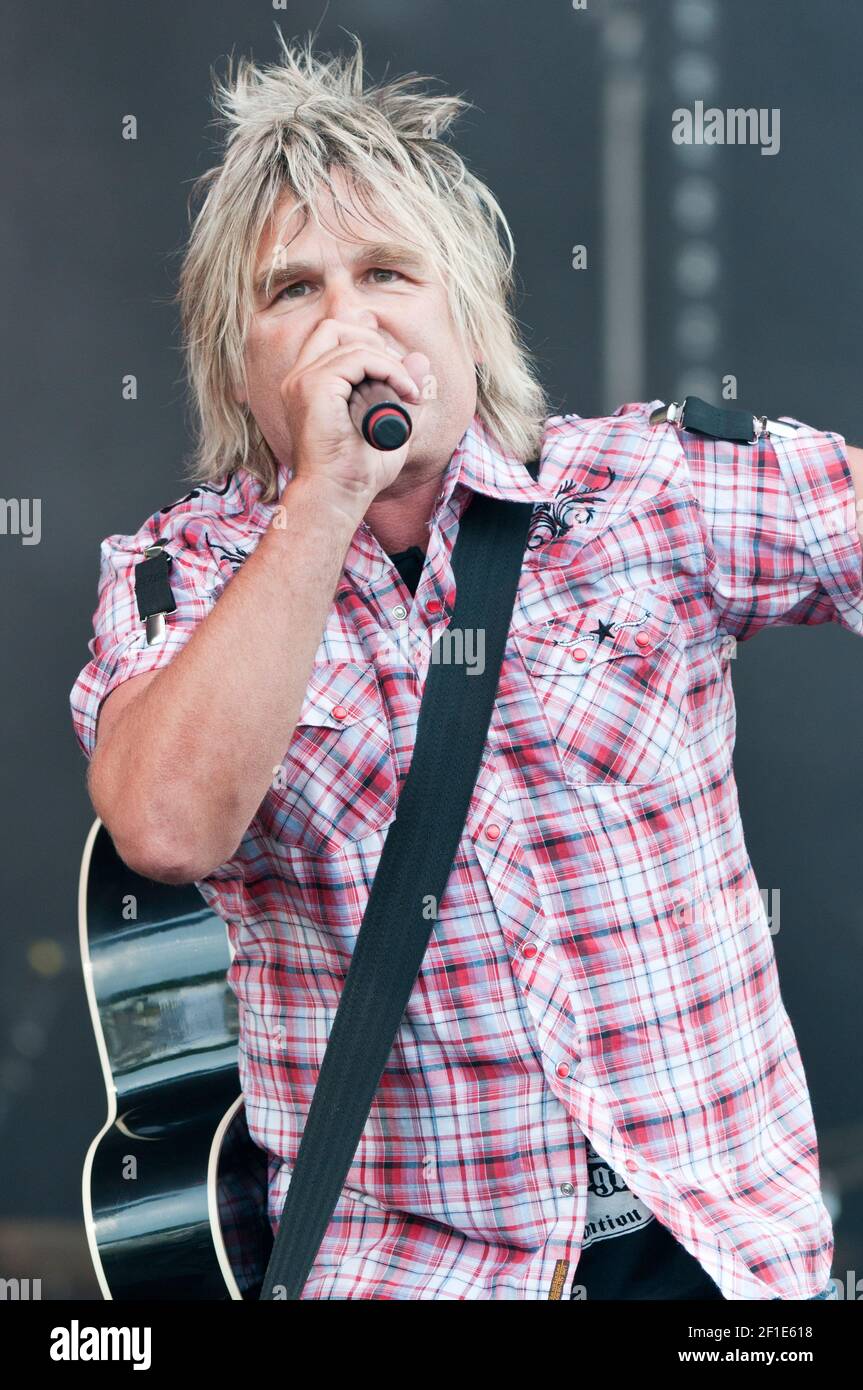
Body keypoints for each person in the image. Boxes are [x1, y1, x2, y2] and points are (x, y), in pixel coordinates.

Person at [69, 31, 861, 1300]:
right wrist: (326, 497)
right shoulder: (181, 574)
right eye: (293, 291)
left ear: (469, 323)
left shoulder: (645, 487)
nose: (351, 323)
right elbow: (166, 825)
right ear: (239, 368)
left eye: (388, 273)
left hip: (724, 1266)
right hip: (417, 1274)